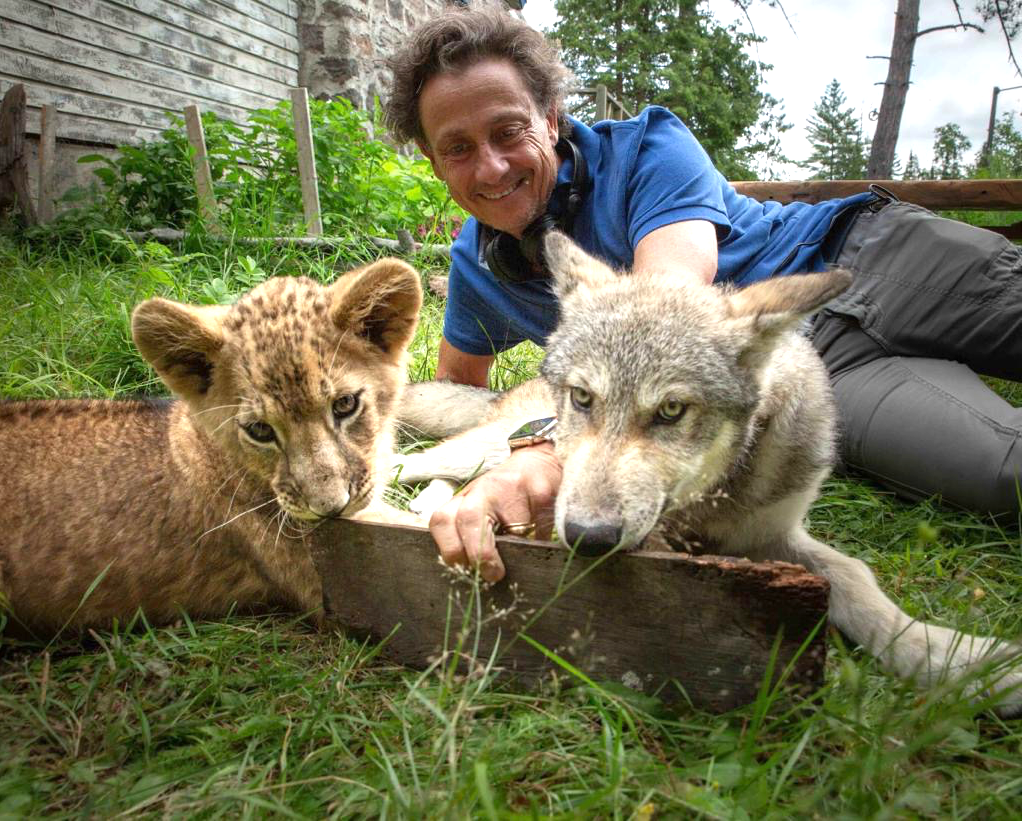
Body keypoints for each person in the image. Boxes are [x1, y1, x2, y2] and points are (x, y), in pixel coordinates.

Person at [384, 2, 1022, 582]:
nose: (491, 166)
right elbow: (460, 395)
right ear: (433, 163)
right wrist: (489, 448)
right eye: (458, 148)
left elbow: (668, 315)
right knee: (1006, 474)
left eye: (508, 131)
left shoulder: (648, 147)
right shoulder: (475, 266)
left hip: (873, 256)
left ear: (550, 121)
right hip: (810, 369)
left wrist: (547, 458)